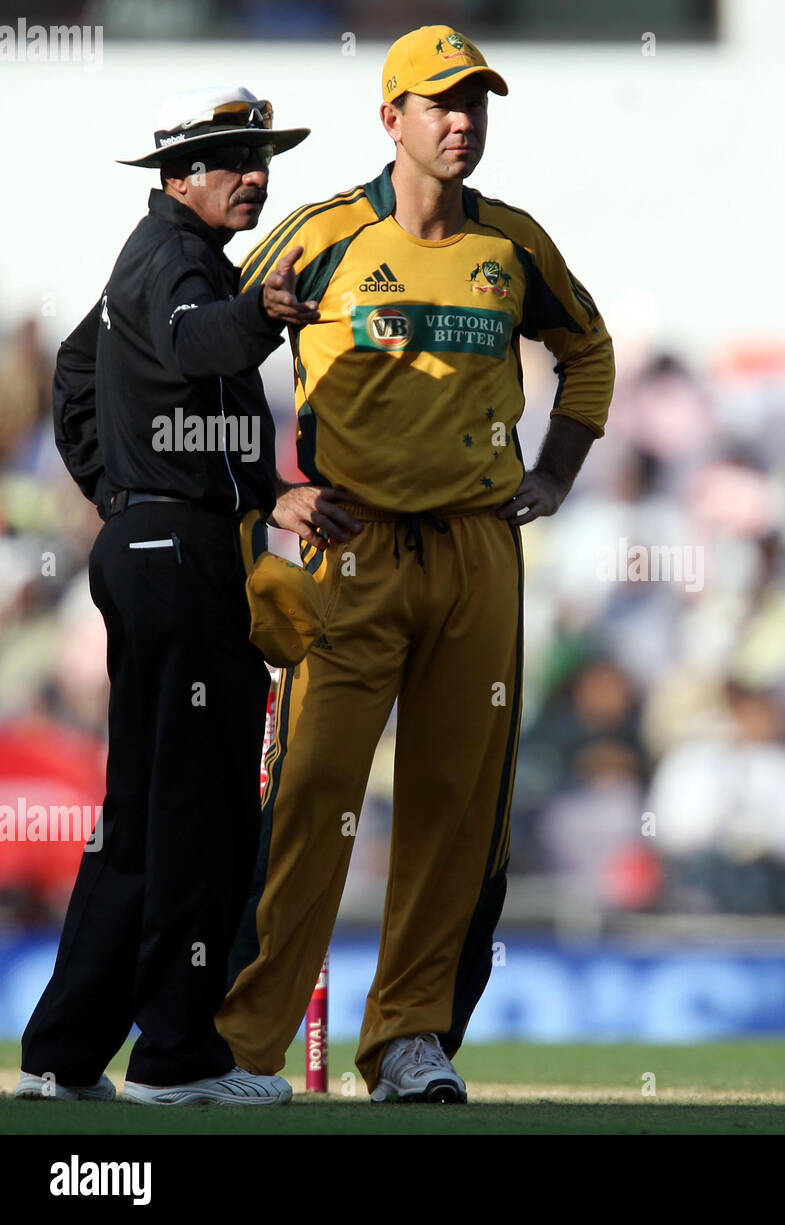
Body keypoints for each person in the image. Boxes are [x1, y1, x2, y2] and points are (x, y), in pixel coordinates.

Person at [218, 25, 615, 1103]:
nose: (462, 120)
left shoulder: (514, 245)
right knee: (309, 795)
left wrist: (558, 472)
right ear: (389, 118)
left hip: (481, 551)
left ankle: (406, 1040)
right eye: (440, 102)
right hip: (352, 551)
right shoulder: (322, 234)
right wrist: (266, 495)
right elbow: (213, 347)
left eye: (476, 101)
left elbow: (589, 349)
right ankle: (241, 1049)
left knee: (456, 808)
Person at [19, 85, 320, 1106]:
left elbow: (74, 375)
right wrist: (261, 315)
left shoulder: (139, 267)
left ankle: (65, 1053)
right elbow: (201, 345)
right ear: (178, 176)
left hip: (156, 543)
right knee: (203, 813)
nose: (256, 173)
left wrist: (126, 491)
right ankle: (176, 1058)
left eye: (261, 156)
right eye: (234, 157)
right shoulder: (184, 266)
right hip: (183, 560)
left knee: (140, 817)